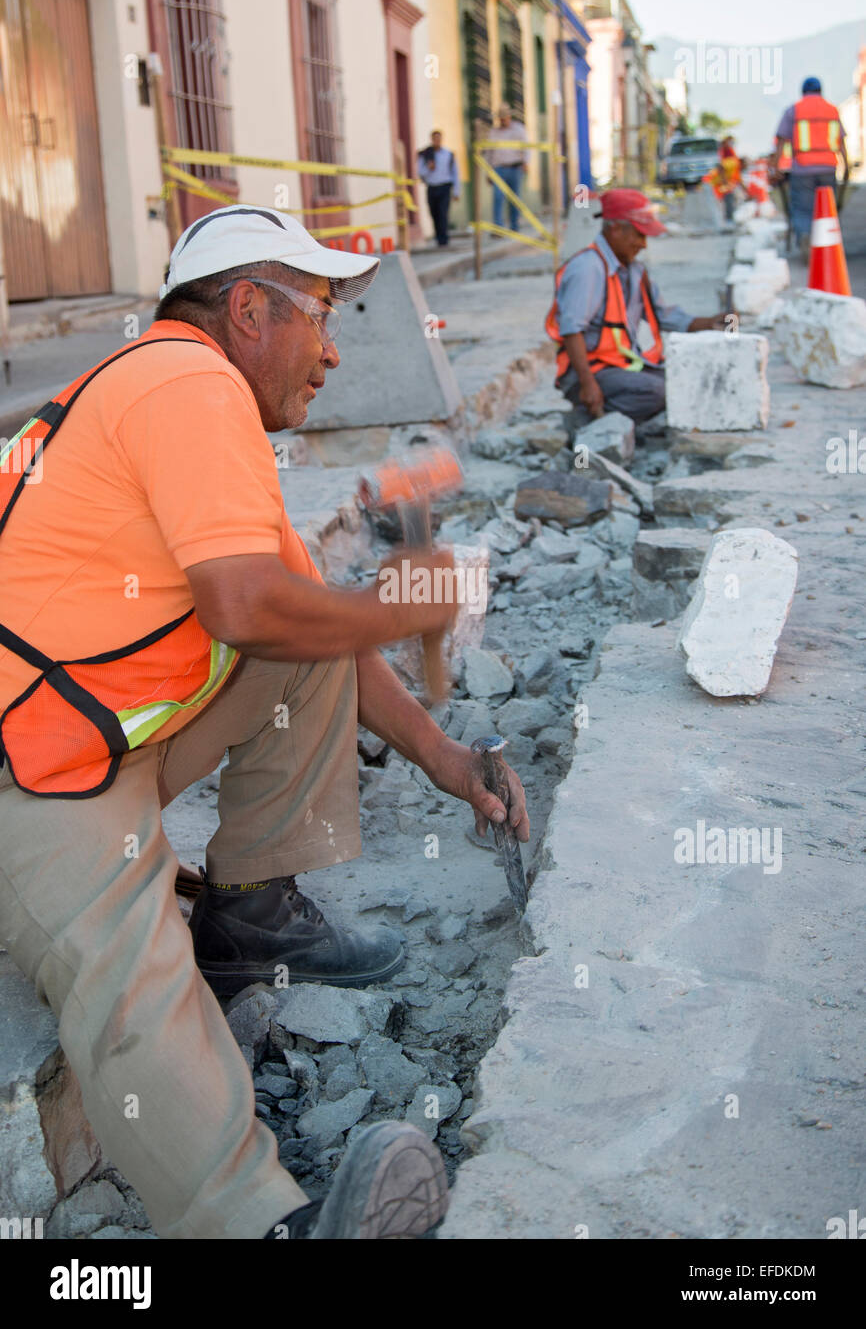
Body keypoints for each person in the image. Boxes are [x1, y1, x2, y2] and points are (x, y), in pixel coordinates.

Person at [0, 204, 530, 1241]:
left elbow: (299, 612)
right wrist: (405, 603)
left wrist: (444, 759)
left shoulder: (167, 390)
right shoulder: (185, 380)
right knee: (129, 974)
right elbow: (246, 607)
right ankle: (255, 1224)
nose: (333, 353)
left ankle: (245, 912)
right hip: (28, 777)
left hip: (82, 738)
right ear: (248, 308)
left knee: (313, 630)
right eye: (321, 315)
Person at [545, 188, 727, 428]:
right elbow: (571, 330)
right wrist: (588, 385)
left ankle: (620, 423)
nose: (643, 244)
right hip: (587, 373)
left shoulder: (634, 270)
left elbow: (663, 315)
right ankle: (588, 421)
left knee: (683, 382)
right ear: (616, 229)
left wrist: (710, 323)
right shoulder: (587, 269)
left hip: (620, 365)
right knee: (655, 392)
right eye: (639, 235)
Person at [769, 77, 849, 254]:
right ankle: (828, 246)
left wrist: (775, 167)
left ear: (803, 92)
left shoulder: (794, 110)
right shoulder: (832, 110)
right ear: (821, 91)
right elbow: (841, 143)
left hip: (802, 168)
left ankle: (805, 234)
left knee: (803, 208)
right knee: (827, 207)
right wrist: (847, 166)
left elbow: (781, 141)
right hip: (828, 167)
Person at [485, 102, 528, 234]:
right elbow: (489, 152)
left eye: (505, 117)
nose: (503, 120)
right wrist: (488, 170)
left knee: (514, 199)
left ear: (509, 117)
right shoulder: (494, 133)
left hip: (515, 167)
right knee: (498, 198)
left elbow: (526, 148)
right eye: (501, 118)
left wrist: (526, 162)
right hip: (498, 168)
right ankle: (498, 228)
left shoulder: (519, 130)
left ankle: (514, 226)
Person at [417, 130, 460, 247]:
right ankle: (438, 236)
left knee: (443, 212)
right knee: (434, 213)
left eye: (438, 138)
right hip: (432, 187)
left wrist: (456, 191)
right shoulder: (426, 154)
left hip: (445, 187)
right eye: (434, 138)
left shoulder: (448, 154)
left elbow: (455, 173)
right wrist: (428, 168)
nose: (437, 141)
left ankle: (444, 239)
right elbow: (420, 172)